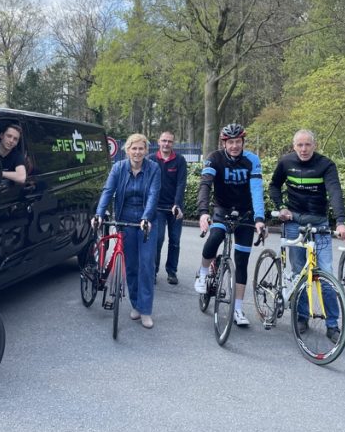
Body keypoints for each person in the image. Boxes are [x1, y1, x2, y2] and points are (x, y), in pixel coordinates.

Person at [269, 129, 345, 343]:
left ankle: (332, 325)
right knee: (299, 273)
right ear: (294, 146)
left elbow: (335, 192)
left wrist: (341, 222)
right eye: (299, 145)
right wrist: (281, 206)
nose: (303, 149)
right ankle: (302, 316)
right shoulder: (286, 162)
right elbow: (274, 186)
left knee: (326, 273)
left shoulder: (326, 165)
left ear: (315, 145)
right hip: (294, 222)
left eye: (307, 145)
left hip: (319, 222)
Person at [194, 124, 265, 327]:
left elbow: (257, 190)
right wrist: (203, 212)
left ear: (243, 142)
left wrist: (259, 218)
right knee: (215, 236)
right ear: (224, 143)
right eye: (231, 142)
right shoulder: (214, 158)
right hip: (222, 209)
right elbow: (205, 185)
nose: (235, 146)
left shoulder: (252, 160)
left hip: (245, 213)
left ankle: (238, 309)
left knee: (241, 261)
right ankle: (203, 274)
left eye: (238, 142)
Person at [93, 133, 161, 329]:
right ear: (128, 150)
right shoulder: (118, 168)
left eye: (141, 148)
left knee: (146, 265)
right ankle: (136, 304)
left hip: (147, 221)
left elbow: (153, 195)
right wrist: (99, 214)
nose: (137, 152)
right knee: (131, 266)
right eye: (134, 148)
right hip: (126, 219)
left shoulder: (154, 168)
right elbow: (108, 191)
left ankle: (145, 310)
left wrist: (146, 217)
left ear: (146, 151)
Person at [149, 131, 187, 285]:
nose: (166, 144)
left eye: (169, 141)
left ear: (173, 143)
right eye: (164, 140)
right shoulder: (151, 159)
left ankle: (172, 272)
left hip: (175, 208)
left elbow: (181, 184)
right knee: (157, 240)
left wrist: (177, 204)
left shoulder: (180, 160)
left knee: (175, 241)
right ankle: (153, 271)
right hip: (157, 207)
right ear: (159, 141)